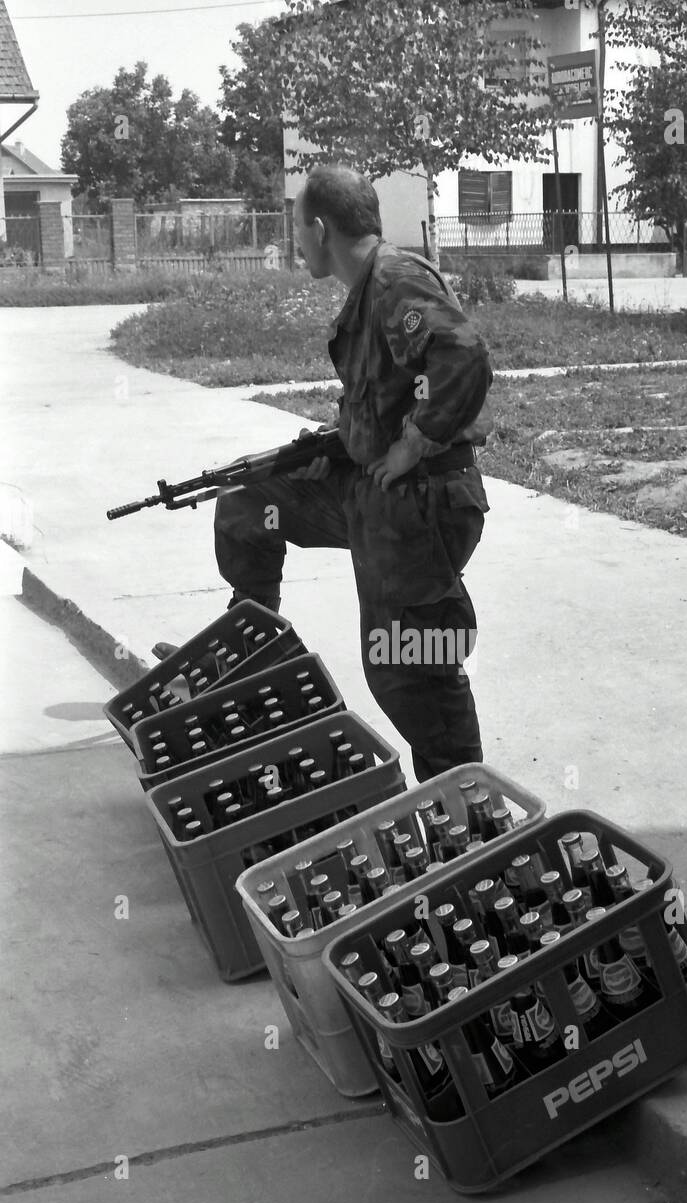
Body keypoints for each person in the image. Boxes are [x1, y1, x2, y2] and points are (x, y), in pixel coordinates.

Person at [181, 165, 493, 782]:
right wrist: (344, 446)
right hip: (372, 493)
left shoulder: (396, 279)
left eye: (298, 229)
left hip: (420, 504)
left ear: (320, 228)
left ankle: (464, 804)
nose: (297, 242)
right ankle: (255, 655)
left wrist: (411, 445)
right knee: (248, 499)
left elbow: (465, 356)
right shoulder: (368, 294)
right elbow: (388, 399)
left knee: (404, 665)